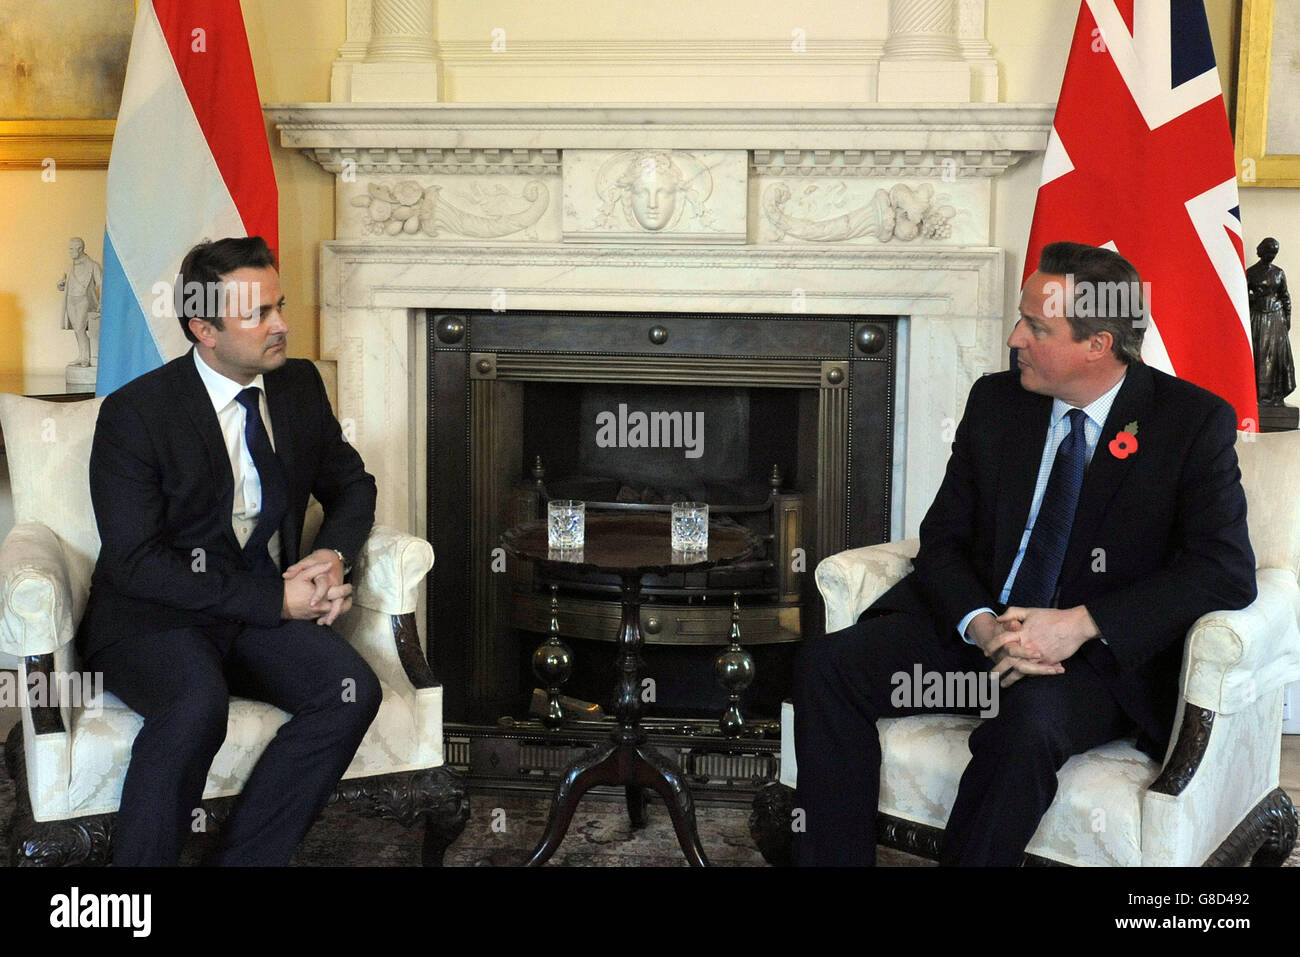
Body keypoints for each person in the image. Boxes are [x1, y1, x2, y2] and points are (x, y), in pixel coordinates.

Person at [793, 241, 1257, 866]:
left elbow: (1224, 571)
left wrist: (1079, 625)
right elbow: (944, 538)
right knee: (827, 666)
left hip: (1088, 664)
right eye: (1021, 319)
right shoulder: (997, 401)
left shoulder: (1191, 423)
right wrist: (982, 626)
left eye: (1036, 327)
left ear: (1098, 344)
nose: (1015, 338)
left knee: (1028, 724)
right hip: (978, 642)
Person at [77, 236, 382, 866]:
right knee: (196, 706)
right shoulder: (136, 413)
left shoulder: (298, 385)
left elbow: (353, 486)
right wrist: (277, 600)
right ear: (204, 329)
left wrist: (333, 555)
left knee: (349, 689)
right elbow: (135, 563)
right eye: (259, 314)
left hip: (256, 612)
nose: (282, 325)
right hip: (154, 617)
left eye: (280, 305)